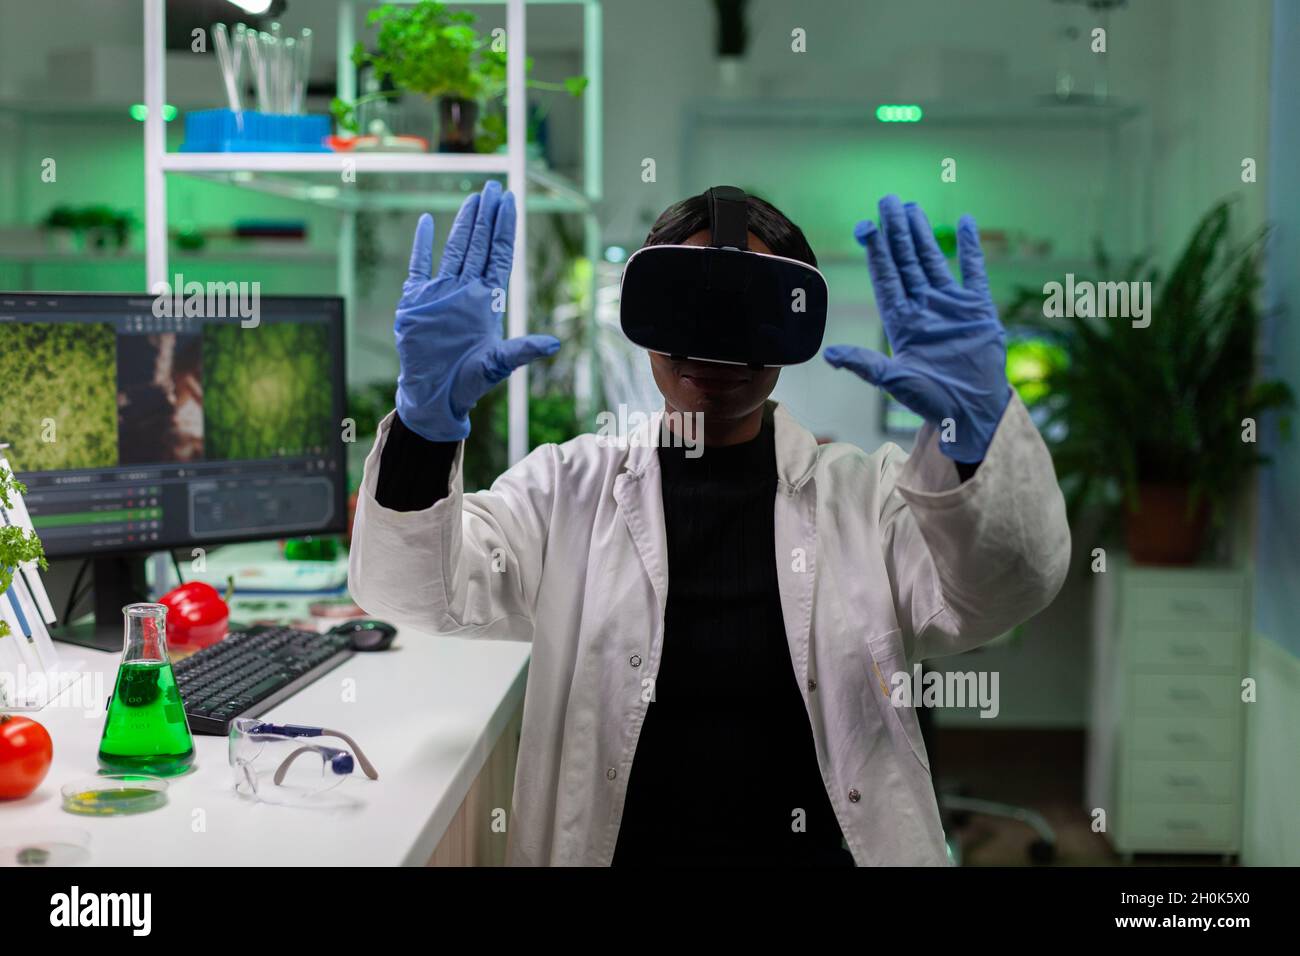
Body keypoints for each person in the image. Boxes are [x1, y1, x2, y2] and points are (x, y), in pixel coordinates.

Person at [349, 180, 1070, 866]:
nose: (717, 347)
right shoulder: (567, 490)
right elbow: (417, 595)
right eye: (690, 307)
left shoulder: (864, 501)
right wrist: (425, 427)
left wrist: (970, 437)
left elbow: (1005, 591)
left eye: (749, 313)